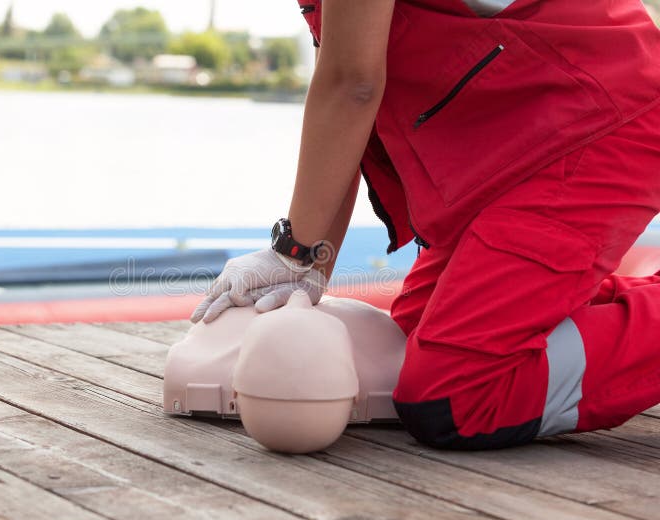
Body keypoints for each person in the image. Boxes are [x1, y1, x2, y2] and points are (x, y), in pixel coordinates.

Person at [191, 0, 660, 450]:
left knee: (454, 393)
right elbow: (344, 95)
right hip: (527, 143)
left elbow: (351, 86)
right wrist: (310, 267)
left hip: (595, 126)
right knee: (410, 340)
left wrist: (291, 252)